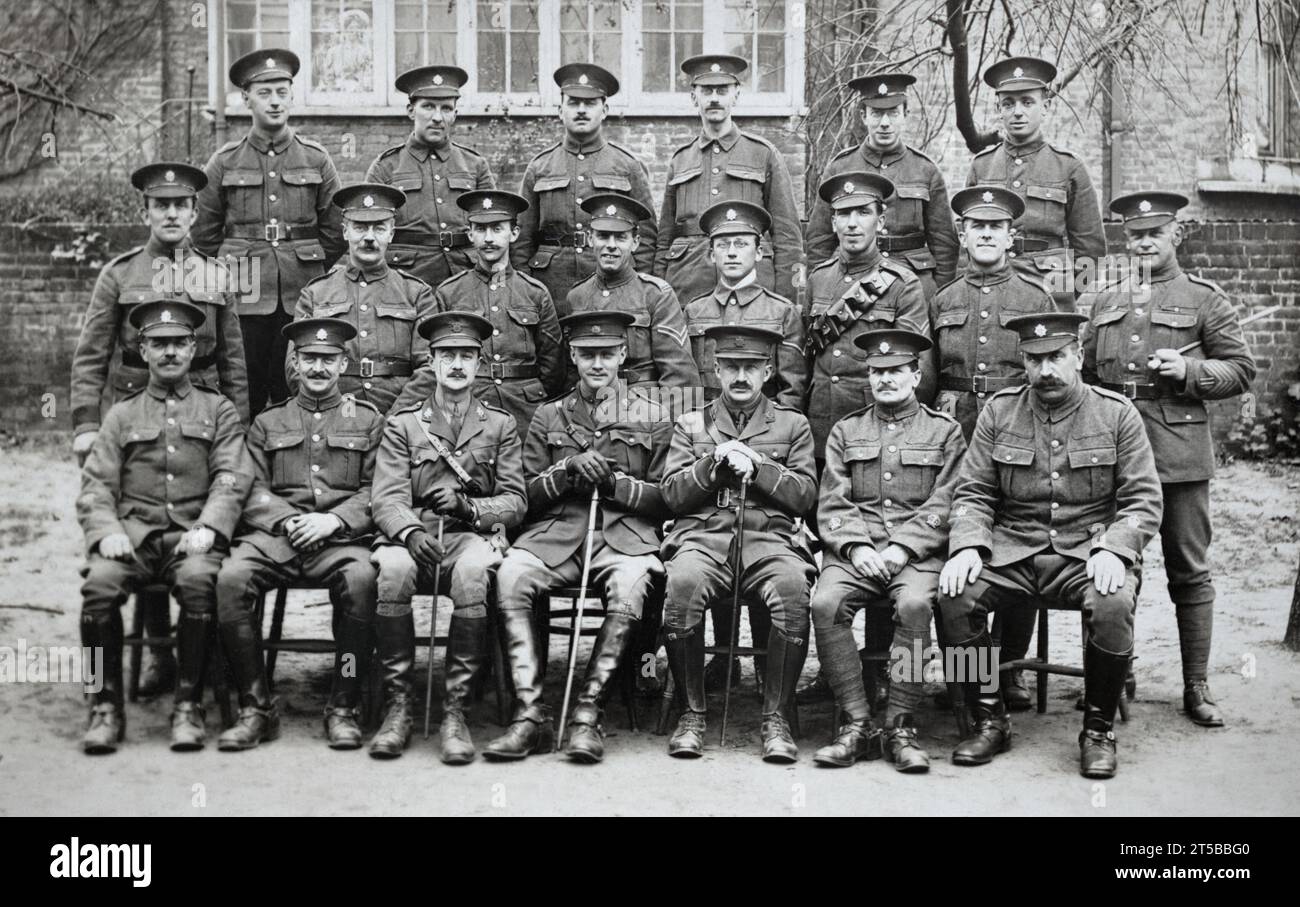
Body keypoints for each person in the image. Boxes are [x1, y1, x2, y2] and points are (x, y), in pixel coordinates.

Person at [937, 312, 1162, 778]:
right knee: (955, 595)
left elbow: (1143, 500)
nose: (1046, 371)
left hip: (1087, 550)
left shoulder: (1117, 413)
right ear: (1023, 361)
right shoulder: (999, 411)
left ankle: (1098, 730)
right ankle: (989, 717)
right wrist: (968, 546)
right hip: (1013, 548)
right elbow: (974, 492)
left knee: (1113, 603)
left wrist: (1116, 547)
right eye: (1035, 360)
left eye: (1057, 357)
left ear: (1078, 356)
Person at [71, 161, 249, 698]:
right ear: (145, 211)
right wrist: (83, 423)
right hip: (135, 413)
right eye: (160, 205)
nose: (171, 214)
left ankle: (199, 650)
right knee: (142, 515)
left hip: (204, 419)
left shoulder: (218, 276)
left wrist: (234, 427)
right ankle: (154, 658)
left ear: (196, 212)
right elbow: (91, 354)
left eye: (181, 205)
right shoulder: (120, 274)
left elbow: (234, 362)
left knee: (199, 525)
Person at [1082, 190, 1256, 728]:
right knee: (1114, 567)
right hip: (1115, 458)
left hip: (1178, 454)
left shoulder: (1204, 298)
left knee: (1189, 569)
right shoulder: (1105, 299)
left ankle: (1196, 685)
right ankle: (1119, 674)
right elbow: (1086, 379)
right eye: (1135, 235)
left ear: (1175, 235)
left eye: (1155, 233)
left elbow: (1242, 369)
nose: (1144, 242)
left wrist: (1192, 374)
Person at [497, 311, 672, 763]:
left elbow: (668, 498)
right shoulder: (547, 415)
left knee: (632, 583)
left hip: (624, 537)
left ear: (622, 355)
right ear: (573, 356)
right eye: (588, 354)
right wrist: (565, 472)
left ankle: (588, 715)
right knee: (511, 575)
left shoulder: (652, 416)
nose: (598, 364)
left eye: (607, 354)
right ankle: (529, 715)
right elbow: (524, 496)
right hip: (558, 536)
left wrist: (615, 485)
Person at [76, 300, 251, 754]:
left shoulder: (219, 410)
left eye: (178, 343)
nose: (169, 352)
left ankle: (188, 706)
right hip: (132, 536)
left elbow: (232, 478)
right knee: (97, 590)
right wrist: (106, 531)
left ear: (193, 348)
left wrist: (211, 527)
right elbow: (95, 485)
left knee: (199, 584)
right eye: (159, 344)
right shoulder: (122, 415)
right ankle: (104, 706)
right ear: (143, 350)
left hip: (192, 536)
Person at [215, 318, 385, 751]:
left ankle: (343, 704)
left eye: (328, 360)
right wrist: (287, 519)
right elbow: (247, 486)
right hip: (277, 538)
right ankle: (256, 706)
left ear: (344, 362)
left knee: (363, 582)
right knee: (231, 579)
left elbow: (380, 489)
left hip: (340, 540)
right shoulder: (268, 421)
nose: (318, 368)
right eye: (309, 359)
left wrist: (335, 521)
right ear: (295, 362)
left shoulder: (366, 419)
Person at [369, 312, 528, 761]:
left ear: (479, 363)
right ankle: (398, 707)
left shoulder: (500, 425)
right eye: (446, 355)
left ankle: (455, 711)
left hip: (469, 535)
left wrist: (470, 507)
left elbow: (516, 500)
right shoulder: (404, 425)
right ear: (432, 362)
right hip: (415, 536)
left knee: (475, 572)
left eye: (466, 356)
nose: (456, 364)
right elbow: (385, 496)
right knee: (394, 569)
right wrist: (410, 531)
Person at [659, 324, 818, 762]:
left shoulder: (792, 423)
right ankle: (692, 714)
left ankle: (776, 716)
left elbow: (805, 496)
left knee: (791, 587)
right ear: (715, 369)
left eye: (751, 367)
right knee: (683, 583)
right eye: (732, 367)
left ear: (768, 371)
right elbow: (670, 494)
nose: (741, 376)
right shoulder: (692, 423)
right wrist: (712, 464)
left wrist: (761, 466)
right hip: (704, 539)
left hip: (769, 541)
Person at [811, 328, 966, 772]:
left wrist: (904, 547)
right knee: (825, 603)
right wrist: (857, 548)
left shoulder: (945, 432)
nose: (886, 380)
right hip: (855, 551)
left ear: (916, 376)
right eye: (877, 373)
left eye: (896, 371)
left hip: (917, 554)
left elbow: (948, 499)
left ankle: (900, 725)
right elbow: (833, 499)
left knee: (916, 604)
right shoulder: (845, 430)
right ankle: (857, 725)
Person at [194, 48, 344, 415]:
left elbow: (337, 231)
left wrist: (306, 263)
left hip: (303, 294)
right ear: (246, 98)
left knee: (296, 389)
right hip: (244, 297)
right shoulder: (225, 161)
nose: (275, 102)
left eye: (282, 92)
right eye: (264, 93)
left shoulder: (316, 158)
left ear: (292, 95)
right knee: (244, 388)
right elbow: (204, 236)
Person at [391, 190, 565, 436]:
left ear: (514, 233)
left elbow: (553, 366)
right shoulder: (450, 293)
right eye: (481, 229)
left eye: (497, 229)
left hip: (525, 408)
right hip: (468, 404)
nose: (489, 238)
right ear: (470, 234)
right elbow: (434, 362)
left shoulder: (534, 292)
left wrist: (530, 392)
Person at [654, 54, 803, 304]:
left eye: (722, 90)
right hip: (688, 286)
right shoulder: (680, 160)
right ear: (694, 97)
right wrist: (658, 297)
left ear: (736, 96)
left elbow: (788, 237)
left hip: (754, 287)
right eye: (706, 91)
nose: (714, 98)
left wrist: (785, 302)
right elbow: (664, 240)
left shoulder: (763, 154)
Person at [804, 171, 930, 458]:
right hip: (820, 425)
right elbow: (805, 362)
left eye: (863, 212)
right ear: (833, 222)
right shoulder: (818, 279)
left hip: (874, 427)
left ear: (880, 222)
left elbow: (919, 371)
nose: (852, 223)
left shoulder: (903, 283)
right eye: (844, 213)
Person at [514, 64, 657, 315]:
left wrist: (639, 287)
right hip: (551, 284)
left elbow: (645, 237)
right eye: (573, 103)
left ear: (605, 110)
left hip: (611, 281)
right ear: (560, 110)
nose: (581, 110)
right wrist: (526, 290)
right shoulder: (540, 167)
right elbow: (522, 240)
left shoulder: (628, 166)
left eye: (590, 103)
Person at [966, 56, 1105, 311]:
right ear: (999, 109)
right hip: (992, 290)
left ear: (1045, 106)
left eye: (1027, 102)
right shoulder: (981, 166)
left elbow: (1091, 251)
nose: (1018, 111)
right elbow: (968, 238)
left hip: (1050, 292)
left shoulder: (1069, 168)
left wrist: (1062, 295)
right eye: (1008, 103)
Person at [806, 72, 957, 302]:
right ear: (863, 116)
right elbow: (819, 239)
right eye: (876, 113)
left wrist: (939, 295)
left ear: (905, 115)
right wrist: (821, 290)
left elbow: (944, 242)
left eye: (893, 113)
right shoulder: (840, 168)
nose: (885, 123)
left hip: (913, 281)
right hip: (854, 282)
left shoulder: (925, 170)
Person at [288, 183, 436, 412]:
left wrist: (399, 419)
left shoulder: (417, 293)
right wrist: (330, 412)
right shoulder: (316, 294)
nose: (369, 237)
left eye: (378, 228)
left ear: (391, 233)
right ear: (345, 231)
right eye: (359, 228)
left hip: (399, 419)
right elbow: (295, 367)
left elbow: (430, 367)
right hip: (333, 415)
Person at [366, 65, 495, 288]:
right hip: (406, 280)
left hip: (465, 278)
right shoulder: (385, 167)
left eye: (446, 108)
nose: (437, 117)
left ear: (455, 114)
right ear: (411, 111)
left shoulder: (475, 165)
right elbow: (368, 235)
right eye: (428, 106)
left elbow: (494, 227)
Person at [562, 193, 698, 396]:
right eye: (603, 236)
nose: (611, 245)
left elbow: (679, 377)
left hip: (643, 410)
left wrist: (658, 423)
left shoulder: (656, 295)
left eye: (620, 237)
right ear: (590, 239)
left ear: (635, 242)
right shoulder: (577, 296)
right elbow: (571, 373)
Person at [683, 200, 806, 408]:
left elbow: (792, 390)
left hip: (766, 429)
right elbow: (686, 383)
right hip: (707, 428)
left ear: (759, 253)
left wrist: (773, 434)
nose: (731, 252)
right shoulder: (694, 311)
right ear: (712, 255)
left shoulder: (782, 311)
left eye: (741, 244)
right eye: (723, 244)